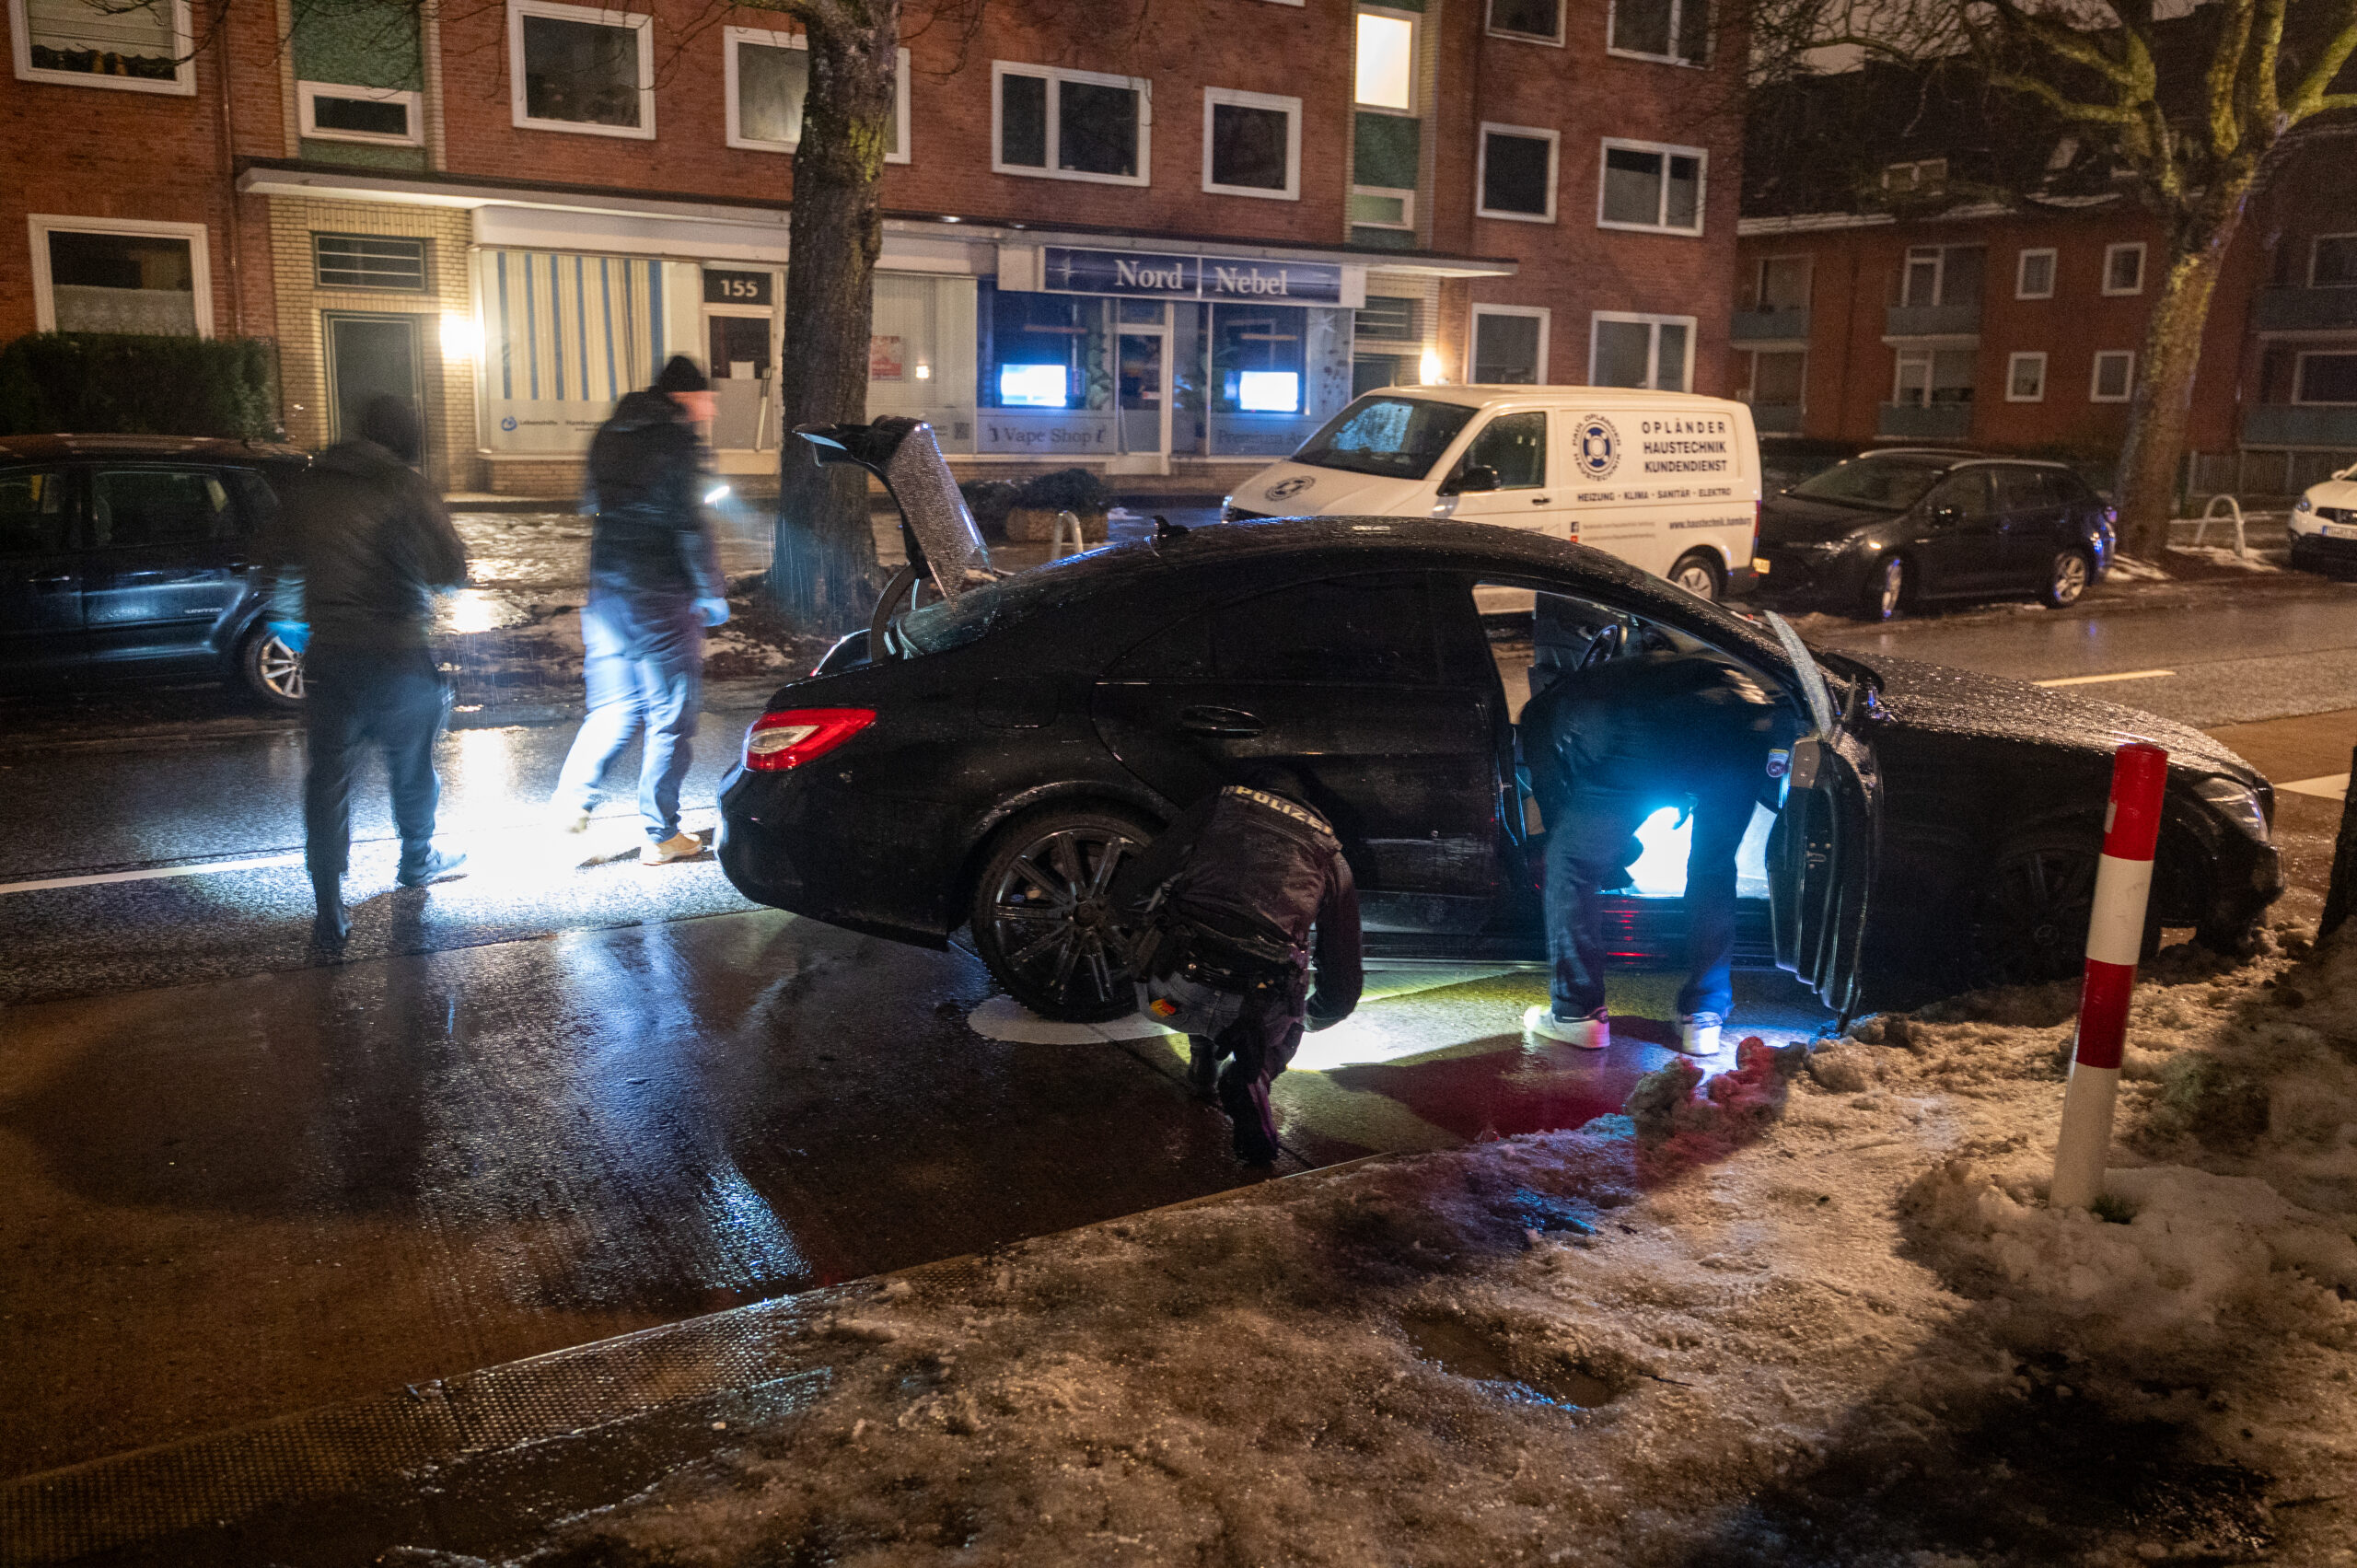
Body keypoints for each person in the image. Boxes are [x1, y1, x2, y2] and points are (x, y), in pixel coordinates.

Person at [262, 393, 470, 948]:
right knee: (414, 768)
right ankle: (417, 860)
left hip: (331, 658)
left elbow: (278, 572)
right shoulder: (406, 485)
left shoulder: (307, 485)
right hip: (398, 653)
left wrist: (294, 628)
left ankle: (329, 906)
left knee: (327, 781)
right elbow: (452, 569)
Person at [1519, 646, 1796, 1055]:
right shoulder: (1625, 676)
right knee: (1713, 867)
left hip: (1647, 732)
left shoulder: (1541, 717)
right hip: (1745, 726)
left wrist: (1601, 848)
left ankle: (1578, 1013)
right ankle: (1703, 1017)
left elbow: (1562, 804)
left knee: (1571, 863)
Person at [1114, 768, 1362, 1164]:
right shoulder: (1330, 860)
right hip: (1255, 1013)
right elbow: (1343, 991)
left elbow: (1126, 894)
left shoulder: (1215, 811)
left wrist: (1144, 933)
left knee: (1186, 968)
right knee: (1265, 1017)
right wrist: (1301, 1024)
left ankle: (1202, 1057)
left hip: (1167, 1000)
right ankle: (1256, 1071)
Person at [551, 355, 731, 863]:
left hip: (609, 589)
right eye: (706, 397)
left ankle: (569, 813)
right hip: (661, 594)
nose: (711, 406)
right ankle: (661, 833)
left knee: (614, 706)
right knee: (671, 711)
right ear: (684, 397)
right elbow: (689, 522)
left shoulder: (610, 433)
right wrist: (710, 590)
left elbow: (591, 503)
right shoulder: (679, 442)